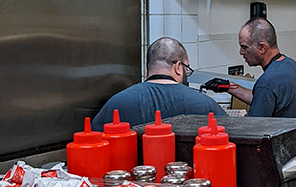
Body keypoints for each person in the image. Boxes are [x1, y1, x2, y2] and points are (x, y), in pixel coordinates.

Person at [92, 37, 226, 131]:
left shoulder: (116, 104)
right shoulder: (205, 105)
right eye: (187, 68)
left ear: (149, 66)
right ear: (178, 67)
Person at [229, 18, 296, 118]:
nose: (241, 52)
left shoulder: (267, 82)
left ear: (262, 48)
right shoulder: (291, 65)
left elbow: (253, 127)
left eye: (244, 47)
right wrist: (228, 87)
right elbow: (264, 100)